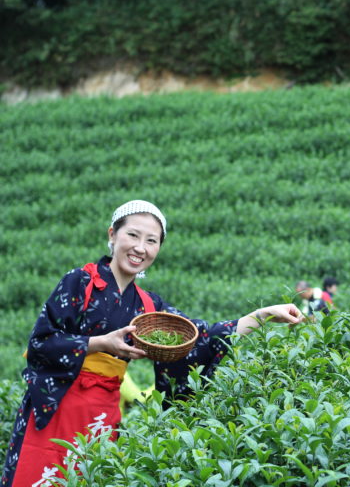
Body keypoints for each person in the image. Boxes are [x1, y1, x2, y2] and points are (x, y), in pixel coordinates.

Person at [2, 200, 305, 486]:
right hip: (56, 406)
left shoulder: (148, 306)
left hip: (102, 415)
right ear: (112, 234)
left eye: (152, 240)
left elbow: (201, 338)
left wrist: (261, 315)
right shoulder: (79, 282)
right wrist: (100, 343)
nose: (140, 248)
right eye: (132, 235)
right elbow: (42, 342)